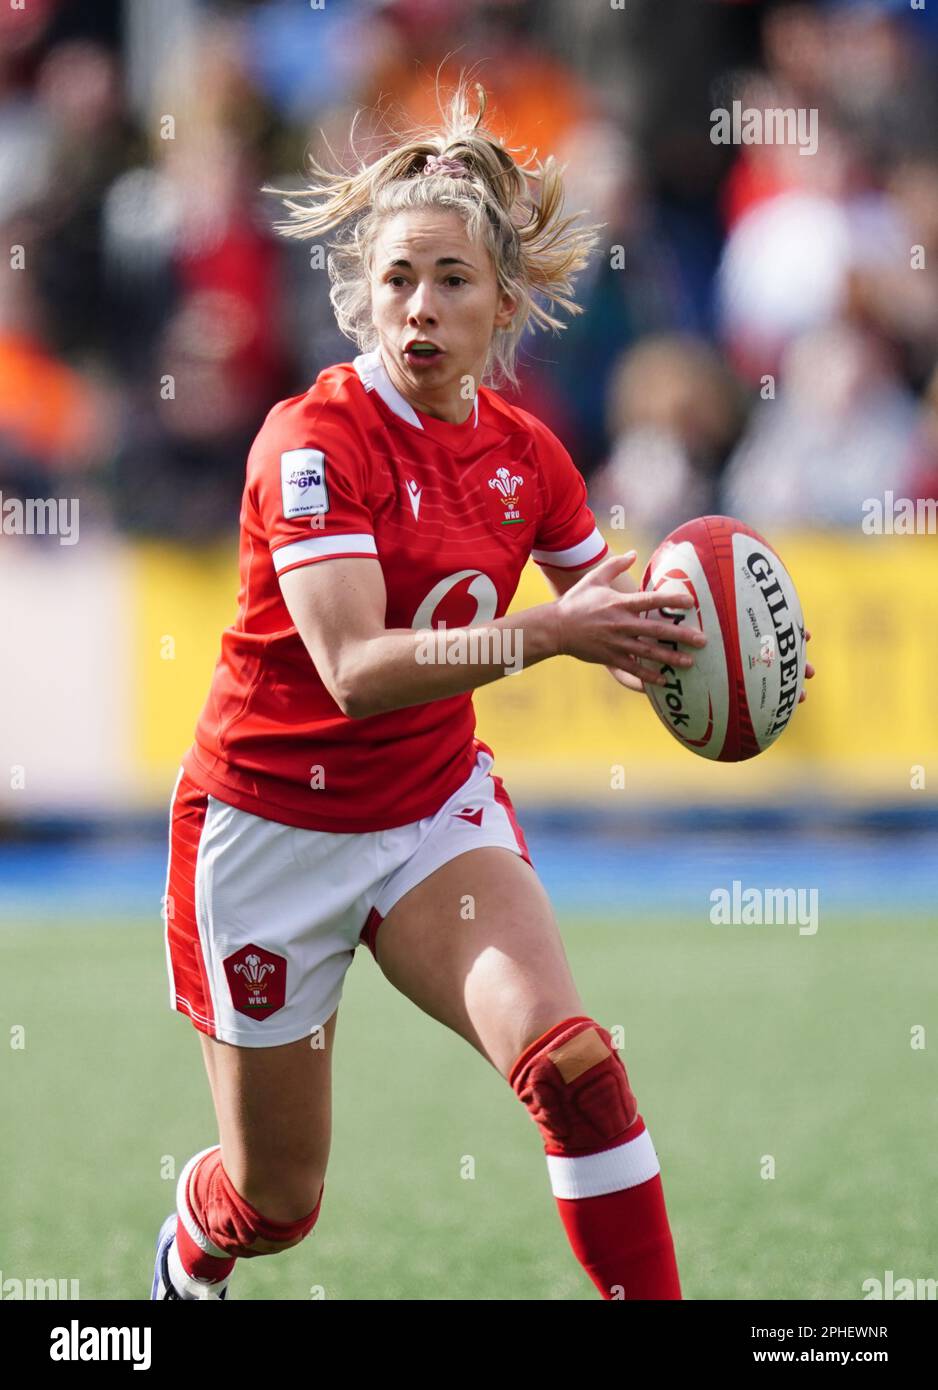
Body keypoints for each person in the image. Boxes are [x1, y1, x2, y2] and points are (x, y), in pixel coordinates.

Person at [152, 80, 718, 1303]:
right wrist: (555, 632)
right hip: (265, 831)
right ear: (361, 291)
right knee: (277, 1202)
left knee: (574, 1067)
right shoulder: (312, 442)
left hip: (423, 819)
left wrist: (708, 646)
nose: (420, 306)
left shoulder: (527, 456)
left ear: (504, 303)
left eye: (452, 280)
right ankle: (190, 1247)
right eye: (397, 277)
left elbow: (610, 612)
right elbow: (355, 670)